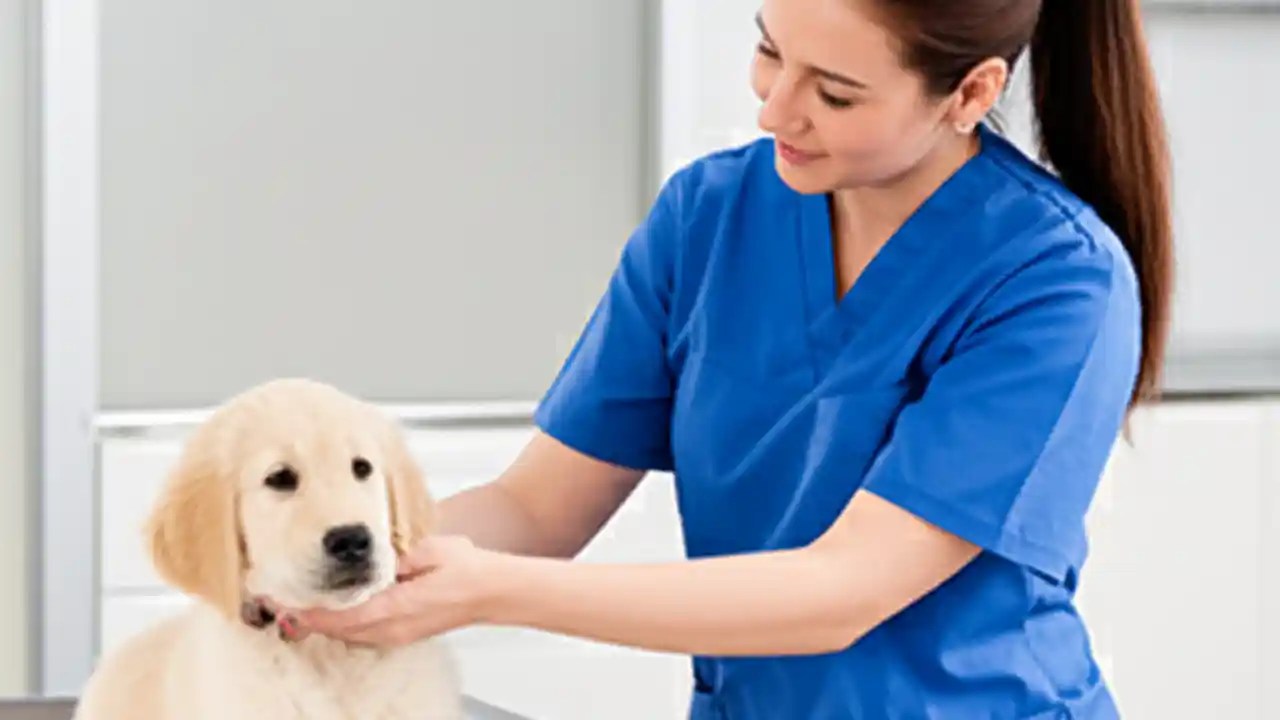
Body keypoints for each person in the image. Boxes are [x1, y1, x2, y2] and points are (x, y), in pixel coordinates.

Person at [281, 0, 1174, 717]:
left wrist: (493, 593)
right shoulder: (708, 216)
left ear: (971, 94)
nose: (775, 108)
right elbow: (535, 505)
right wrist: (340, 563)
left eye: (834, 91)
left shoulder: (1053, 280)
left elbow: (842, 591)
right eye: (768, 51)